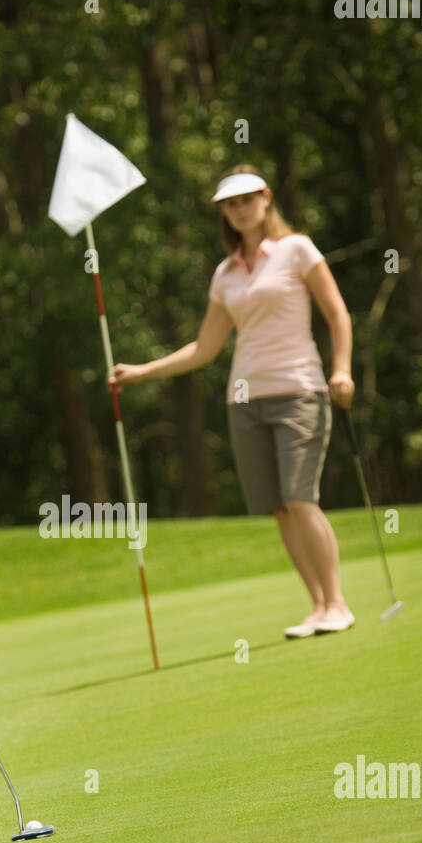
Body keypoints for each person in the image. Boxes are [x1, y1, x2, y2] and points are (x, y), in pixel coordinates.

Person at [111, 164, 356, 637]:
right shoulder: (225, 274)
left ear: (266, 198)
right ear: (223, 212)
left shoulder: (297, 249)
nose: (240, 209)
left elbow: (336, 312)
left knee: (300, 499)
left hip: (299, 390)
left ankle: (337, 604)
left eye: (247, 199)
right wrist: (142, 372)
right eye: (230, 203)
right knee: (279, 508)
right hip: (245, 399)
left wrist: (341, 368)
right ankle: (317, 606)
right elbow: (205, 349)